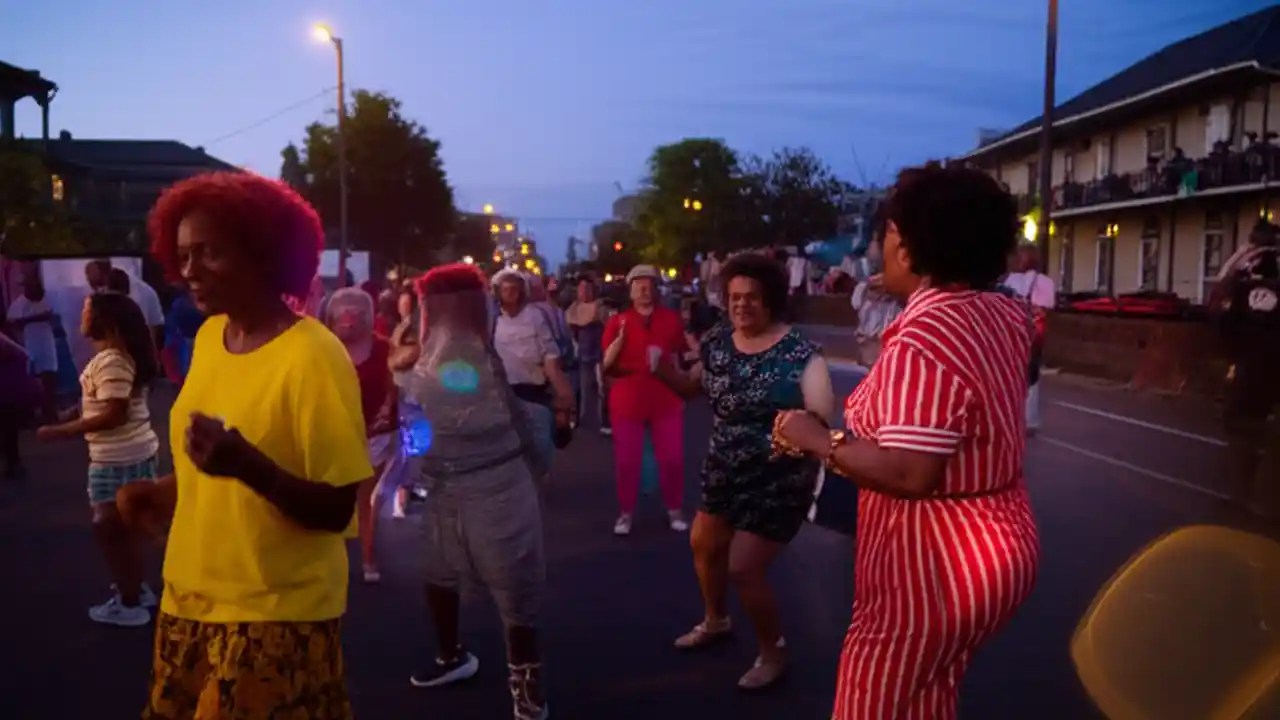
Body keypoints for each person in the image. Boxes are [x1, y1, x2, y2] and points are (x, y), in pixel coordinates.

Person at [776, 163, 1040, 718]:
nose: (877, 247)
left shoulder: (928, 334)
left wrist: (816, 438)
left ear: (906, 245)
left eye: (885, 234)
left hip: (934, 566)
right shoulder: (1001, 312)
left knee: (871, 702)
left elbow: (908, 472)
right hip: (998, 542)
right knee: (928, 696)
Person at [122, 171, 372, 719]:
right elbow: (213, 467)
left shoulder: (313, 356)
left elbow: (334, 507)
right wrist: (163, 492)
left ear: (263, 254)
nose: (189, 271)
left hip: (274, 614)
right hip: (186, 598)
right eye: (182, 254)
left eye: (208, 252)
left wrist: (249, 467)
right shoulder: (211, 338)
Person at [657, 253, 834, 689]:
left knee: (743, 568)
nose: (741, 305)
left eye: (752, 297)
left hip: (780, 475)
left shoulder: (801, 356)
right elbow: (689, 387)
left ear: (771, 299)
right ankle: (716, 620)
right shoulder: (718, 342)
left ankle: (773, 652)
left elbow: (823, 424)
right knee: (704, 543)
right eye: (734, 297)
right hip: (725, 465)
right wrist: (661, 369)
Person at [404, 264, 550, 720]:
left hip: (496, 484)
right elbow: (421, 425)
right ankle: (452, 657)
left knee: (513, 586)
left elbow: (468, 411)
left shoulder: (463, 357)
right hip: (448, 484)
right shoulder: (435, 356)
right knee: (439, 573)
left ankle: (526, 690)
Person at [37, 292, 161, 627]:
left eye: (87, 309)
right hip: (132, 453)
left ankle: (129, 602)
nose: (81, 314)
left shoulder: (111, 361)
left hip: (117, 458)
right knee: (124, 529)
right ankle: (135, 590)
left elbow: (114, 414)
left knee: (109, 529)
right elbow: (106, 401)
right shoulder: (116, 359)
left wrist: (63, 430)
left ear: (103, 319)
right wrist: (75, 411)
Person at [602, 264, 690, 535]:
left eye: (649, 285)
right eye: (638, 285)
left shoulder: (670, 320)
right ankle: (626, 513)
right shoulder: (618, 322)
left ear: (656, 289)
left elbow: (681, 355)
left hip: (665, 398)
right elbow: (606, 362)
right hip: (628, 399)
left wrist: (684, 383)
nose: (644, 290)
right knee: (628, 461)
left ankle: (674, 509)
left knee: (672, 459)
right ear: (630, 291)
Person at [326, 287, 399, 582]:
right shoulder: (323, 348)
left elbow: (395, 386)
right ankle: (333, 559)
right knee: (332, 498)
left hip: (376, 433)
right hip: (333, 434)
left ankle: (369, 557)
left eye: (355, 309)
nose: (348, 315)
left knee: (366, 498)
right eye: (342, 310)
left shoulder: (384, 349)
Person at [1215, 220, 1280, 519]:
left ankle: (1246, 496)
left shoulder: (1243, 269)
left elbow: (1220, 310)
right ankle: (1268, 499)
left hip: (1253, 362)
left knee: (1240, 424)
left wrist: (1232, 354)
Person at [491, 269, 574, 473]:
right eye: (505, 289)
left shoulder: (535, 316)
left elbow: (550, 355)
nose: (510, 293)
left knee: (541, 446)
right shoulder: (492, 321)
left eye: (514, 289)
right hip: (504, 394)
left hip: (534, 391)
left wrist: (564, 392)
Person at [1003, 243, 1056, 435]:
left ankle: (1013, 415)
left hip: (1014, 332)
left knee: (1013, 374)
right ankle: (1030, 419)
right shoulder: (1047, 283)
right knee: (1032, 375)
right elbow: (1046, 308)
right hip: (1036, 333)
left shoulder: (1011, 280)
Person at [7, 275, 59, 423]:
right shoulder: (19, 304)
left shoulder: (47, 299)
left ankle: (50, 414)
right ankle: (34, 415)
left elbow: (53, 317)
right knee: (33, 382)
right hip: (30, 347)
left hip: (47, 346)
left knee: (50, 379)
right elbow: (12, 323)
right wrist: (36, 318)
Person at [86, 259, 165, 352]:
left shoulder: (142, 294)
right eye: (93, 285)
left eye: (99, 284)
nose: (97, 290)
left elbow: (152, 333)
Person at [566, 276, 609, 434]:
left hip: (599, 354)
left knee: (602, 389)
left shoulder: (601, 309)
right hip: (579, 355)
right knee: (578, 389)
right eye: (582, 288)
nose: (584, 292)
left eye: (588, 289)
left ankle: (605, 422)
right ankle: (577, 419)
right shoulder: (572, 309)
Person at [0, 329, 38, 480]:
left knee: (8, 426)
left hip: (8, 390)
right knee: (8, 427)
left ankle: (13, 463)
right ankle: (13, 463)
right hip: (10, 390)